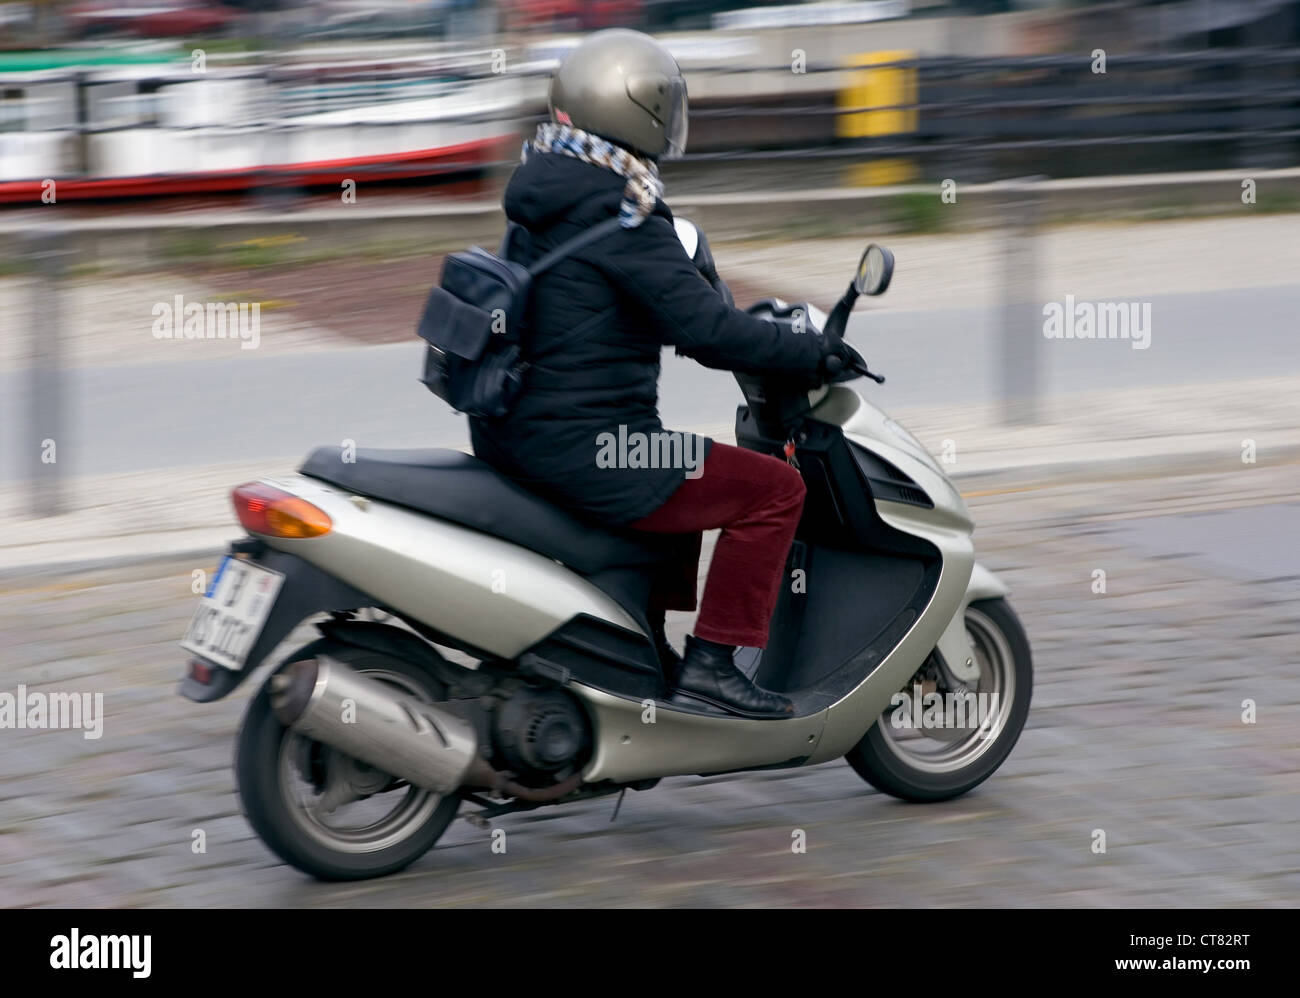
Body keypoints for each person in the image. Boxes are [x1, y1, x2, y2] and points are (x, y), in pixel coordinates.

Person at [469, 29, 850, 718]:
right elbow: (707, 332)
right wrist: (813, 353)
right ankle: (714, 663)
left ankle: (643, 645)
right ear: (638, 112)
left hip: (516, 432)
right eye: (666, 105)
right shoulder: (624, 210)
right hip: (586, 447)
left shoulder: (544, 192)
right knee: (772, 489)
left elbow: (608, 311)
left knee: (683, 460)